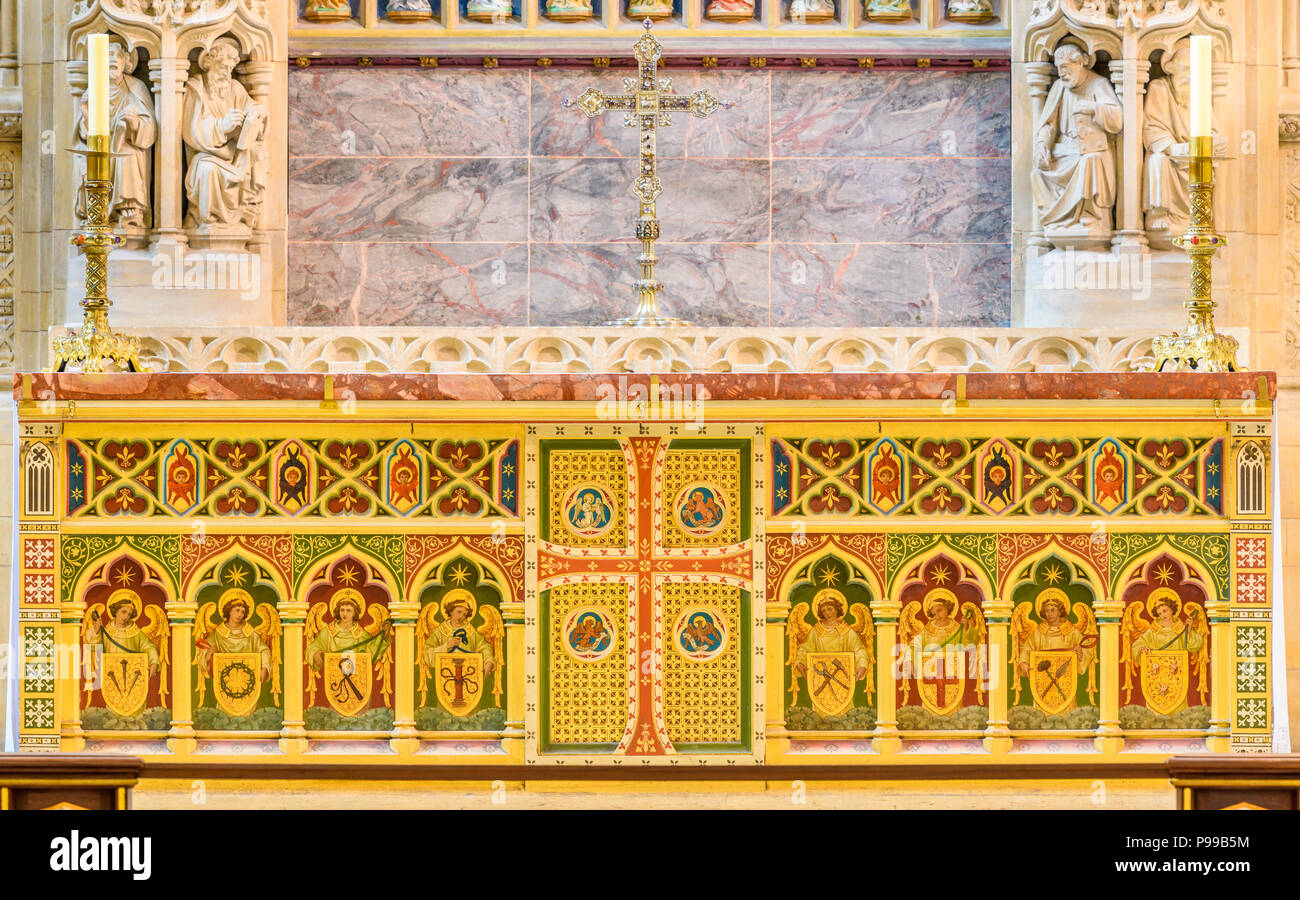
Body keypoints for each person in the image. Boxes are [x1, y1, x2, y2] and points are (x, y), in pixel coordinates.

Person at [1031, 43, 1124, 239]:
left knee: (1090, 162)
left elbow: (1117, 120)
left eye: (1066, 67)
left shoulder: (1098, 84)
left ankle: (1091, 216)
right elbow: (1048, 124)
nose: (1062, 73)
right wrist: (1042, 146)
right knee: (1037, 172)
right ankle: (1057, 221)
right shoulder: (1059, 87)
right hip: (1063, 149)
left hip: (1091, 149)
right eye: (1058, 68)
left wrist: (1093, 107)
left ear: (1081, 63)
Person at [1143, 38, 1229, 247]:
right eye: (1185, 69)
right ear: (1170, 68)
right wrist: (1174, 147)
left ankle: (1199, 218)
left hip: (1191, 155)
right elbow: (1151, 126)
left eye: (1195, 70)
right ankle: (1159, 214)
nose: (1190, 75)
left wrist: (1214, 141)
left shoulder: (1199, 94)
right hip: (1169, 152)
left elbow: (1212, 130)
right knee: (1157, 161)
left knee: (1205, 162)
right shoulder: (1159, 87)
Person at [182, 37, 268, 229]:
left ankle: (246, 214)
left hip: (234, 154)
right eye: (222, 68)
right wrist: (221, 126)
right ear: (209, 64)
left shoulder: (235, 88)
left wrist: (258, 113)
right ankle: (209, 219)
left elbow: (252, 108)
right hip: (205, 154)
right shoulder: (196, 88)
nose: (227, 74)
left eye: (230, 69)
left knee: (258, 153)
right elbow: (191, 129)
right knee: (207, 169)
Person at [75, 36, 156, 231]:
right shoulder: (94, 89)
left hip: (127, 143)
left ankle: (129, 208)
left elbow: (150, 128)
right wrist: (86, 116)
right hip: (101, 143)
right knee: (88, 158)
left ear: (126, 61)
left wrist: (134, 123)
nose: (112, 60)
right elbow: (82, 130)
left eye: (116, 56)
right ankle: (97, 211)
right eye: (107, 56)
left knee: (127, 154)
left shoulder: (136, 87)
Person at [1017, 590, 1095, 712]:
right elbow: (1026, 649)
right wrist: (1023, 663)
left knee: (1066, 708)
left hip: (1065, 679)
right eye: (1047, 611)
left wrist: (1079, 653)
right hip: (1042, 679)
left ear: (1060, 611)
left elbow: (1087, 649)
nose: (1049, 614)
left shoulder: (1071, 631)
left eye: (1053, 610)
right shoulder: (1039, 632)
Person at [195, 588, 271, 683]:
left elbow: (264, 650)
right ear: (229, 611)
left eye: (242, 612)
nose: (240, 614)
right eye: (237, 610)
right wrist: (208, 655)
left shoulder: (250, 634)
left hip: (247, 679)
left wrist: (264, 667)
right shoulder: (218, 633)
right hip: (224, 679)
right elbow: (204, 652)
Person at [794, 589, 869, 682]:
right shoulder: (816, 631)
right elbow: (804, 649)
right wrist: (800, 662)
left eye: (830, 609)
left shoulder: (847, 631)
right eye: (824, 610)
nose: (827, 613)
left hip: (843, 677)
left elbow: (859, 650)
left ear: (837, 609)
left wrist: (862, 665)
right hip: (820, 677)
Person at [424, 592, 495, 675]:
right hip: (446, 673)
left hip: (469, 673)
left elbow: (484, 647)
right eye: (459, 612)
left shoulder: (471, 631)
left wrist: (488, 662)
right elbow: (426, 652)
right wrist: (446, 646)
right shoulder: (440, 631)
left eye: (464, 614)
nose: (461, 616)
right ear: (451, 611)